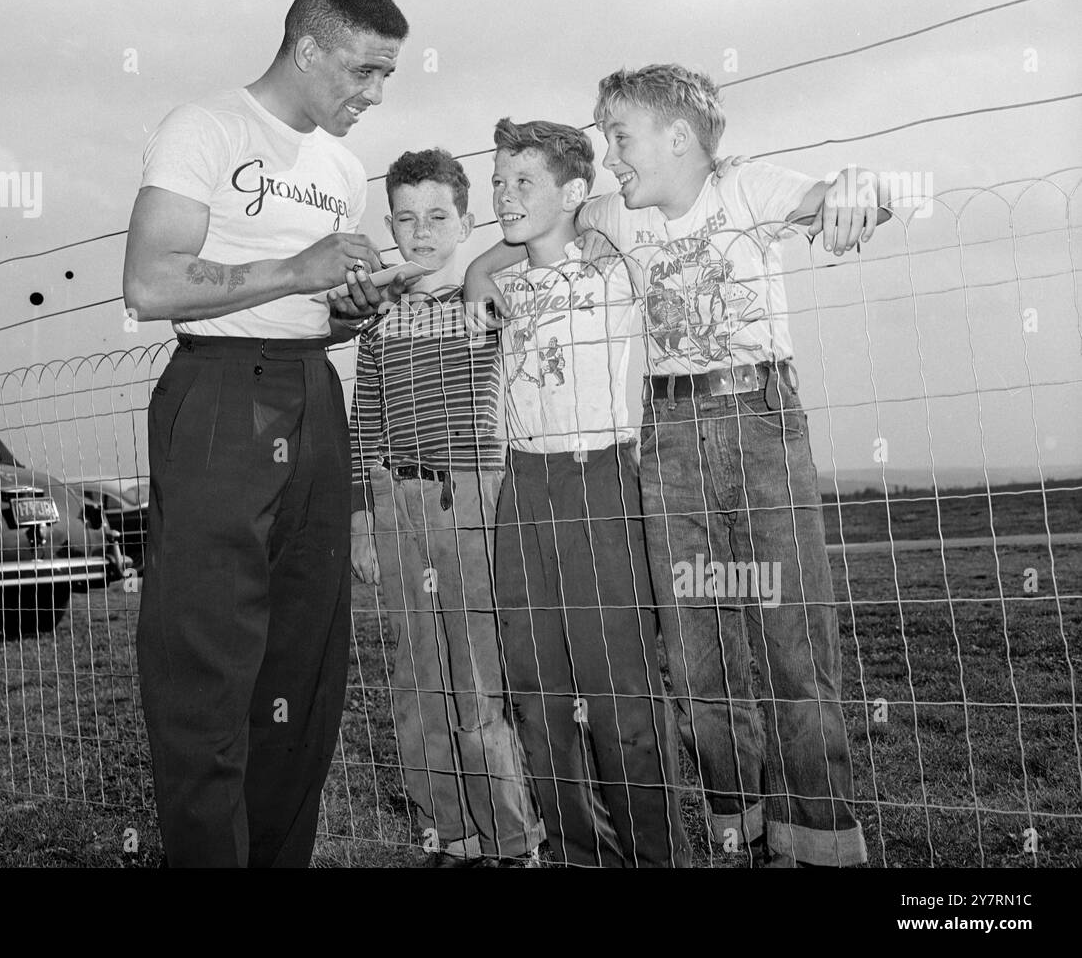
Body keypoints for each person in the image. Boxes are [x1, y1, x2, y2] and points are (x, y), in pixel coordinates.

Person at [122, 0, 409, 867]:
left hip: (314, 393)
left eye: (387, 77)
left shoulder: (341, 165)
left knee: (304, 668)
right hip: (220, 398)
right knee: (208, 665)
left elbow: (316, 301)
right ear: (307, 45)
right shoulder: (203, 127)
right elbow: (149, 283)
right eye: (362, 70)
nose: (372, 94)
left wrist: (349, 311)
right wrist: (297, 271)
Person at [577, 63, 883, 866]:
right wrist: (476, 273)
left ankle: (817, 842)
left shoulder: (744, 190)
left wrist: (858, 187)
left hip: (760, 427)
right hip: (670, 438)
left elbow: (852, 194)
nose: (611, 155)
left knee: (792, 641)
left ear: (678, 136)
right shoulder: (615, 211)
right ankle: (735, 828)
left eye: (620, 136)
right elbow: (546, 220)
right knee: (695, 650)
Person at [481, 118, 691, 867]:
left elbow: (634, 206)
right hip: (523, 485)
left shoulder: (614, 270)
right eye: (498, 181)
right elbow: (486, 258)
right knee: (537, 695)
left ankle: (655, 854)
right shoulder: (499, 287)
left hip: (596, 477)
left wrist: (593, 207)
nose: (503, 195)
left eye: (522, 181)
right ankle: (577, 853)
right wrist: (491, 259)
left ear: (572, 191)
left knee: (620, 694)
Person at [346, 148, 543, 867]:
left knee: (476, 678)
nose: (421, 230)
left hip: (471, 498)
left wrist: (485, 266)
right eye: (405, 216)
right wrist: (363, 518)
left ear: (466, 221)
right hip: (397, 499)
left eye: (438, 216)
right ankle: (451, 833)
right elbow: (365, 418)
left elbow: (571, 218)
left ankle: (512, 837)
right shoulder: (377, 315)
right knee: (415, 677)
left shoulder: (486, 298)